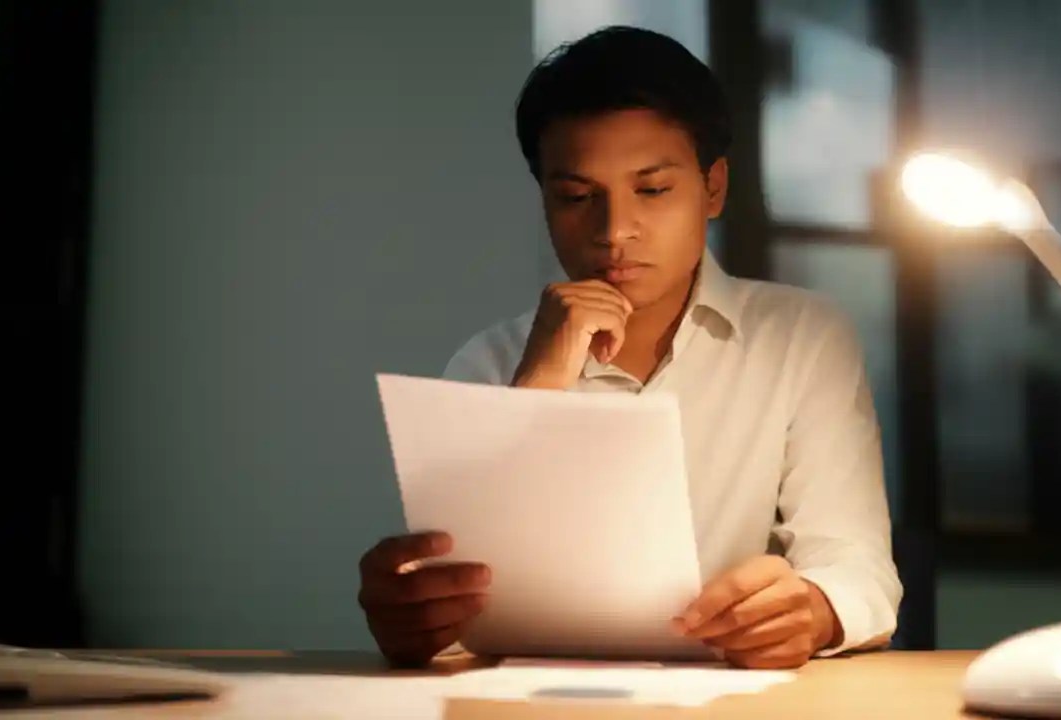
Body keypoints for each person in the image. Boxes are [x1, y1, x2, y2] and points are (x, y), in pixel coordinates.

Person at [357, 25, 901, 670]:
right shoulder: (490, 363)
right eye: (577, 197)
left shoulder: (800, 336)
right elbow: (449, 601)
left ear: (714, 188)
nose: (615, 231)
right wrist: (540, 385)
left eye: (652, 189)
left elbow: (858, 567)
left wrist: (812, 609)